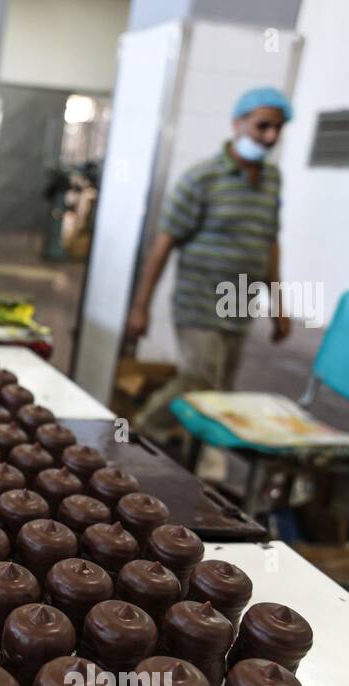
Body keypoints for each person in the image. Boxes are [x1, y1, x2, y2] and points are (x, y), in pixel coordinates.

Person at [128, 86, 294, 449]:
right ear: (238, 123)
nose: (270, 137)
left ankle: (198, 462)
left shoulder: (271, 181)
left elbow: (269, 243)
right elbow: (163, 246)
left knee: (220, 390)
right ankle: (142, 430)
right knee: (198, 379)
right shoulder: (201, 179)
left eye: (277, 129)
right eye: (262, 126)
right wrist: (140, 307)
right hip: (198, 300)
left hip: (239, 302)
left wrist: (278, 304)